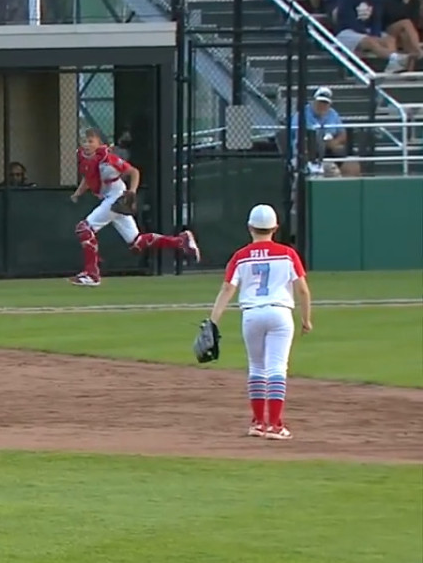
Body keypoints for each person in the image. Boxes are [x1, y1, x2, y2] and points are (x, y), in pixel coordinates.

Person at [207, 204, 313, 440]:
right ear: (275, 228)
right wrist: (306, 319)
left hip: (251, 315)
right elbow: (303, 290)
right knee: (277, 368)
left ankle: (257, 423)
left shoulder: (240, 256)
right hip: (280, 314)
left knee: (256, 368)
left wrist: (213, 320)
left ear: (249, 228)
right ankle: (275, 425)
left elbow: (227, 289)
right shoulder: (287, 254)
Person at [69, 128, 201, 287]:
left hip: (117, 196)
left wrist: (131, 191)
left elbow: (134, 172)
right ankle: (180, 241)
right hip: (110, 198)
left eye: (91, 141)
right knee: (136, 242)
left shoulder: (108, 158)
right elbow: (88, 178)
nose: (87, 144)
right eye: (84, 141)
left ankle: (92, 274)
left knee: (84, 229)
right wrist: (77, 193)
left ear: (100, 143)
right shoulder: (85, 159)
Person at [334, 0, 408, 72]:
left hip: (367, 30)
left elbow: (377, 17)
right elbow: (348, 20)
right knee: (370, 41)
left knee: (390, 39)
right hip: (347, 32)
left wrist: (375, 33)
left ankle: (392, 64)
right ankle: (394, 57)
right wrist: (368, 34)